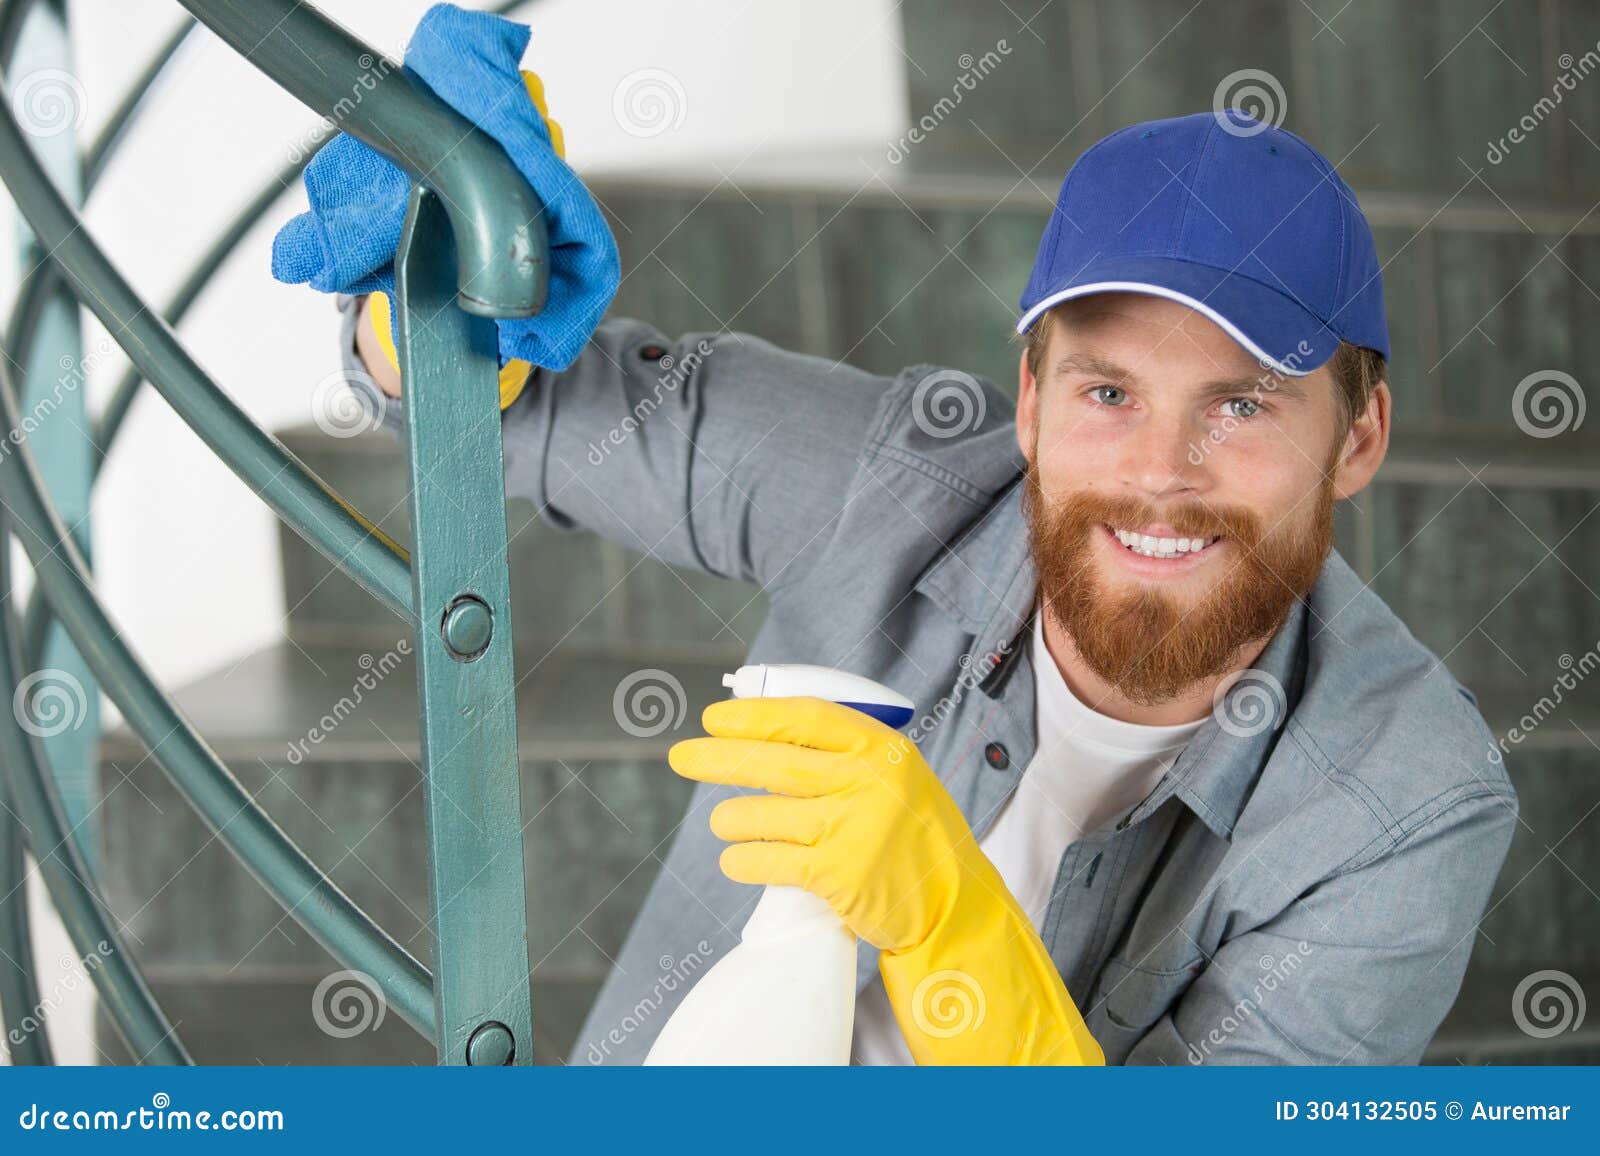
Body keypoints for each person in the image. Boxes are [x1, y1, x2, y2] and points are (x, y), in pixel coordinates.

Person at [338, 108, 1517, 1065]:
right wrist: (435, 281)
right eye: (1108, 394)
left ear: (1358, 438)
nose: (1162, 474)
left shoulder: (1404, 805)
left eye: (1242, 404)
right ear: (1027, 405)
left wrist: (948, 921)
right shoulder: (890, 482)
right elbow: (518, 406)